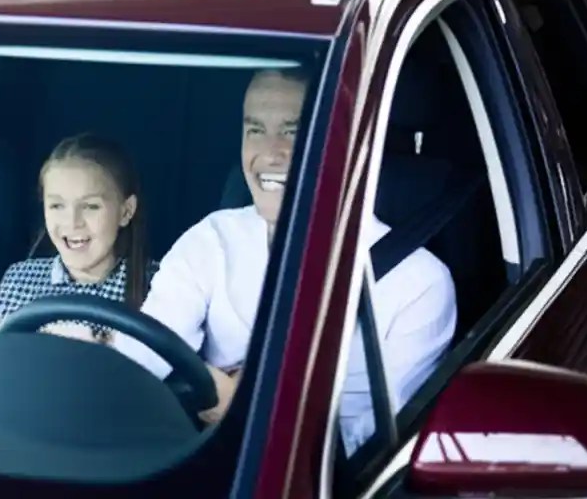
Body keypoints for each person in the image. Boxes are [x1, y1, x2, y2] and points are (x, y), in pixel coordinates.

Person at [111, 67, 456, 444]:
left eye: (293, 132)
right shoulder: (212, 239)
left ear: (344, 142)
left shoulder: (418, 283)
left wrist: (248, 411)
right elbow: (139, 361)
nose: (270, 154)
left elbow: (375, 455)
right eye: (255, 130)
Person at [0, 133, 150, 343]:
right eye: (57, 206)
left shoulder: (161, 287)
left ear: (126, 211)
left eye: (90, 206)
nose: (72, 222)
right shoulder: (18, 279)